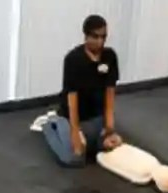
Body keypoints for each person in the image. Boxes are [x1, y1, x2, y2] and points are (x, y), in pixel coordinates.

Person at [43, 15, 123, 167]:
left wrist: (110, 128)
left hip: (95, 117)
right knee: (74, 158)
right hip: (72, 117)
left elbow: (110, 93)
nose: (100, 41)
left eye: (103, 37)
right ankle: (51, 125)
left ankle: (91, 139)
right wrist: (74, 133)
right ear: (85, 36)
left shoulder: (110, 56)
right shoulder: (73, 60)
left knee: (111, 146)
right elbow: (72, 98)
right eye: (95, 37)